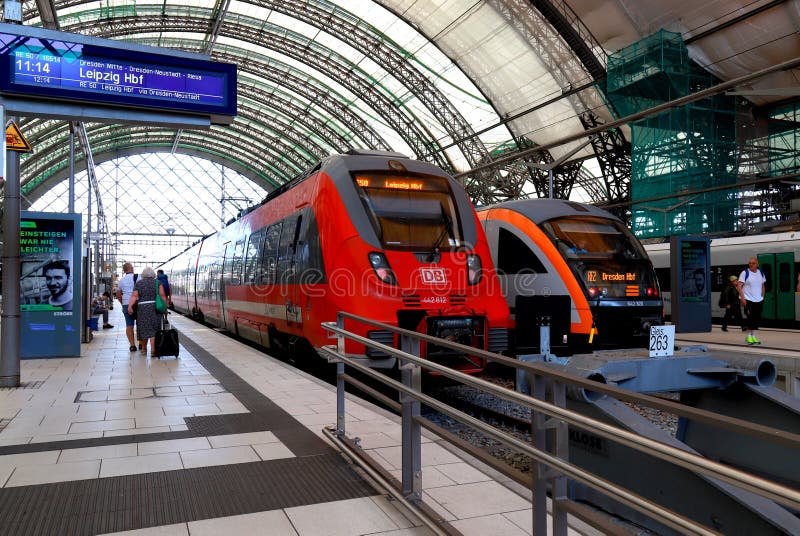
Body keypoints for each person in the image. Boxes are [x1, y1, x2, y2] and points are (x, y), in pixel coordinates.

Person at [128, 266, 169, 357]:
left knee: (143, 329)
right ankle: (153, 350)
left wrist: (130, 306)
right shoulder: (157, 283)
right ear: (153, 275)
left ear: (143, 275)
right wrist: (165, 308)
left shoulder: (139, 283)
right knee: (154, 329)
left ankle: (143, 349)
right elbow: (162, 296)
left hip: (142, 308)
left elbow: (134, 296)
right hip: (155, 308)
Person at [738, 257, 766, 345]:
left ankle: (753, 336)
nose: (751, 264)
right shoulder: (745, 273)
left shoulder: (761, 273)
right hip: (748, 299)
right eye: (750, 263)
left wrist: (762, 295)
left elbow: (762, 284)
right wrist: (742, 298)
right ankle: (749, 336)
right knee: (750, 318)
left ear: (757, 264)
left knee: (756, 318)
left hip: (759, 299)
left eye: (753, 263)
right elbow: (739, 286)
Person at [116, 262, 138, 352]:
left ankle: (132, 345)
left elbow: (118, 294)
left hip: (126, 304)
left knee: (129, 325)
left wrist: (123, 303)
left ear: (124, 270)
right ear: (131, 268)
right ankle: (141, 344)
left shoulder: (121, 280)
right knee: (141, 324)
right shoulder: (138, 277)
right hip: (138, 303)